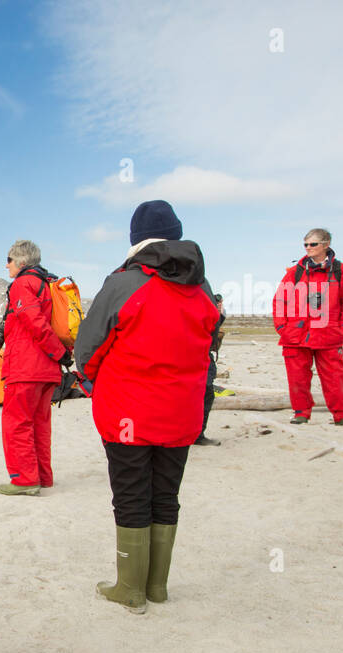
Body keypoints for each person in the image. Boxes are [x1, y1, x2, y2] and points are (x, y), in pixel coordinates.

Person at [72, 200, 218, 614]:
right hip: (181, 410)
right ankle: (157, 586)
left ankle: (130, 587)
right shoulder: (201, 285)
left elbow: (90, 346)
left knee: (132, 494)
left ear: (136, 239)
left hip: (128, 411)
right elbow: (208, 336)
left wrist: (89, 379)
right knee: (166, 494)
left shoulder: (125, 282)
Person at [0, 239, 70, 496]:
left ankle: (25, 479)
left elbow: (33, 321)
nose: (6, 266)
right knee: (40, 423)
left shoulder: (21, 284)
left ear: (20, 261)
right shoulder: (49, 284)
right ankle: (43, 476)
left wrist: (59, 353)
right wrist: (60, 356)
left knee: (17, 423)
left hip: (26, 366)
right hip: (47, 369)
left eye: (8, 260)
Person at [272, 228, 343, 428]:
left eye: (313, 244)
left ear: (326, 244)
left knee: (335, 377)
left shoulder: (341, 271)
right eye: (305, 244)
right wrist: (282, 327)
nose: (308, 248)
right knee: (297, 377)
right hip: (295, 335)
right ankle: (301, 414)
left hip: (329, 334)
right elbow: (280, 299)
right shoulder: (295, 272)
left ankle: (342, 416)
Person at [195, 294, 227, 446]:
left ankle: (197, 435)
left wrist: (218, 313)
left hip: (203, 358)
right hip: (190, 357)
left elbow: (212, 329)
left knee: (206, 394)